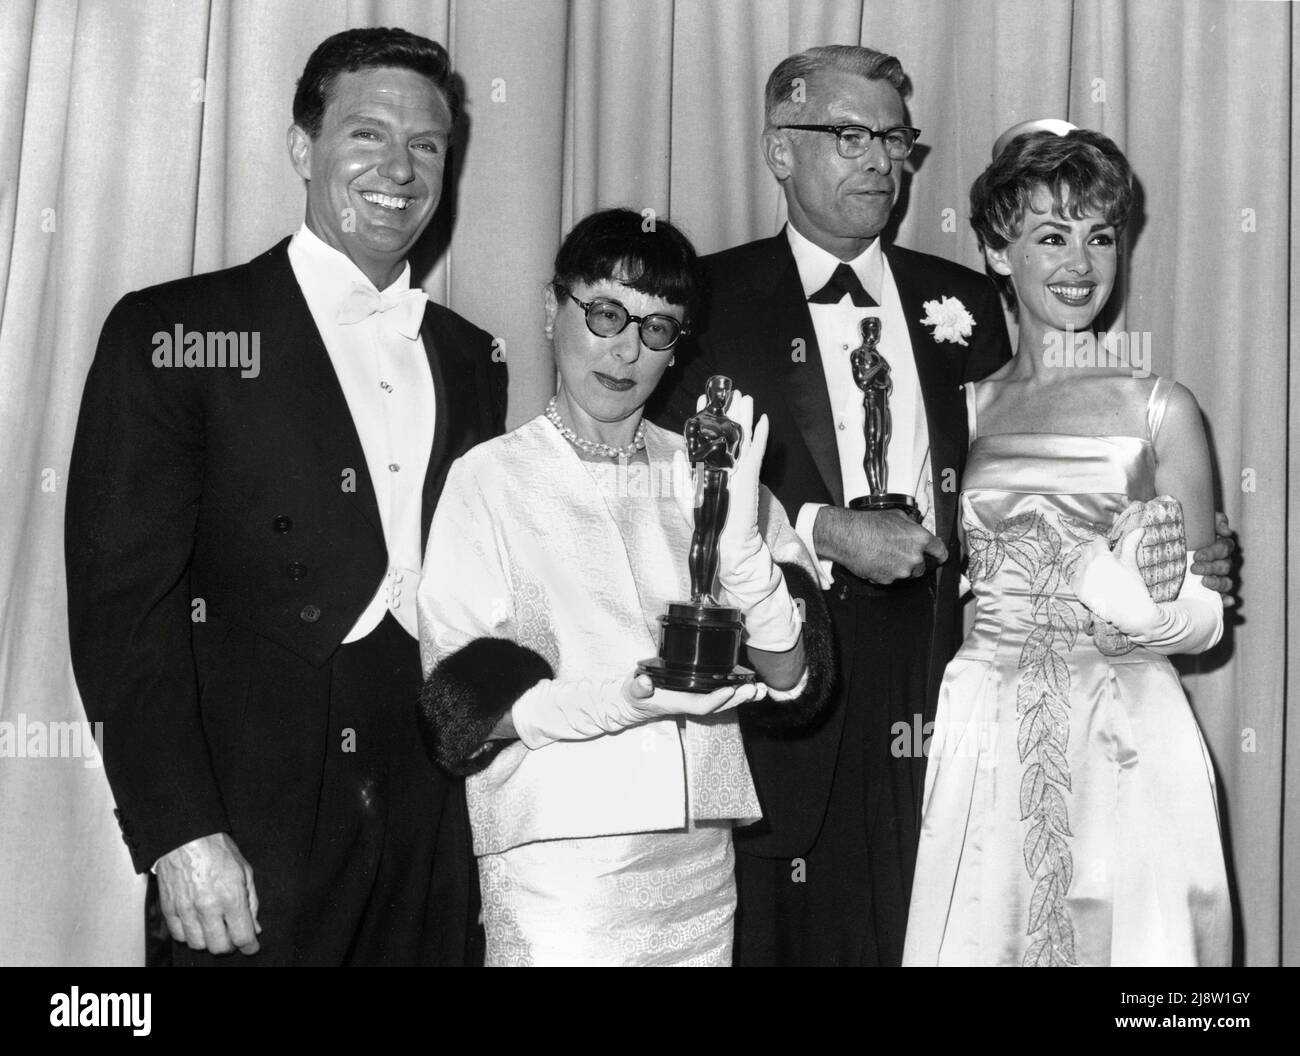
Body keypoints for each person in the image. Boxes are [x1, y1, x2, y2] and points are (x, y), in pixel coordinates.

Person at [653, 45, 1235, 966]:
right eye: (850, 135)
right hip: (798, 688)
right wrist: (819, 527)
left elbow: (1137, 534)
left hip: (952, 699)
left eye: (895, 138)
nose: (880, 160)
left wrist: (1169, 563)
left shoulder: (959, 303)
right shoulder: (704, 299)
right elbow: (671, 484)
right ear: (778, 151)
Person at [64, 27, 504, 966]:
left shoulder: (471, 356)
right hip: (249, 806)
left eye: (427, 145)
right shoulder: (177, 331)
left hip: (429, 803)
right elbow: (120, 615)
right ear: (303, 148)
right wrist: (178, 833)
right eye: (367, 135)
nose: (400, 168)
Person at [415, 208, 834, 966]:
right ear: (553, 308)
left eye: (658, 328)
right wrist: (620, 700)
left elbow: (796, 682)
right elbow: (462, 714)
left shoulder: (716, 473)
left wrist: (743, 556)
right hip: (559, 870)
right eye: (606, 313)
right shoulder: (489, 478)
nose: (626, 349)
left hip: (699, 865)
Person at [903, 128, 1231, 966]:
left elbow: (1203, 615)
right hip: (987, 723)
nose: (1080, 262)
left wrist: (1108, 586)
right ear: (995, 251)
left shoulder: (1162, 408)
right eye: (1050, 236)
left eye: (1100, 235)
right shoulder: (958, 411)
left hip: (1129, 731)